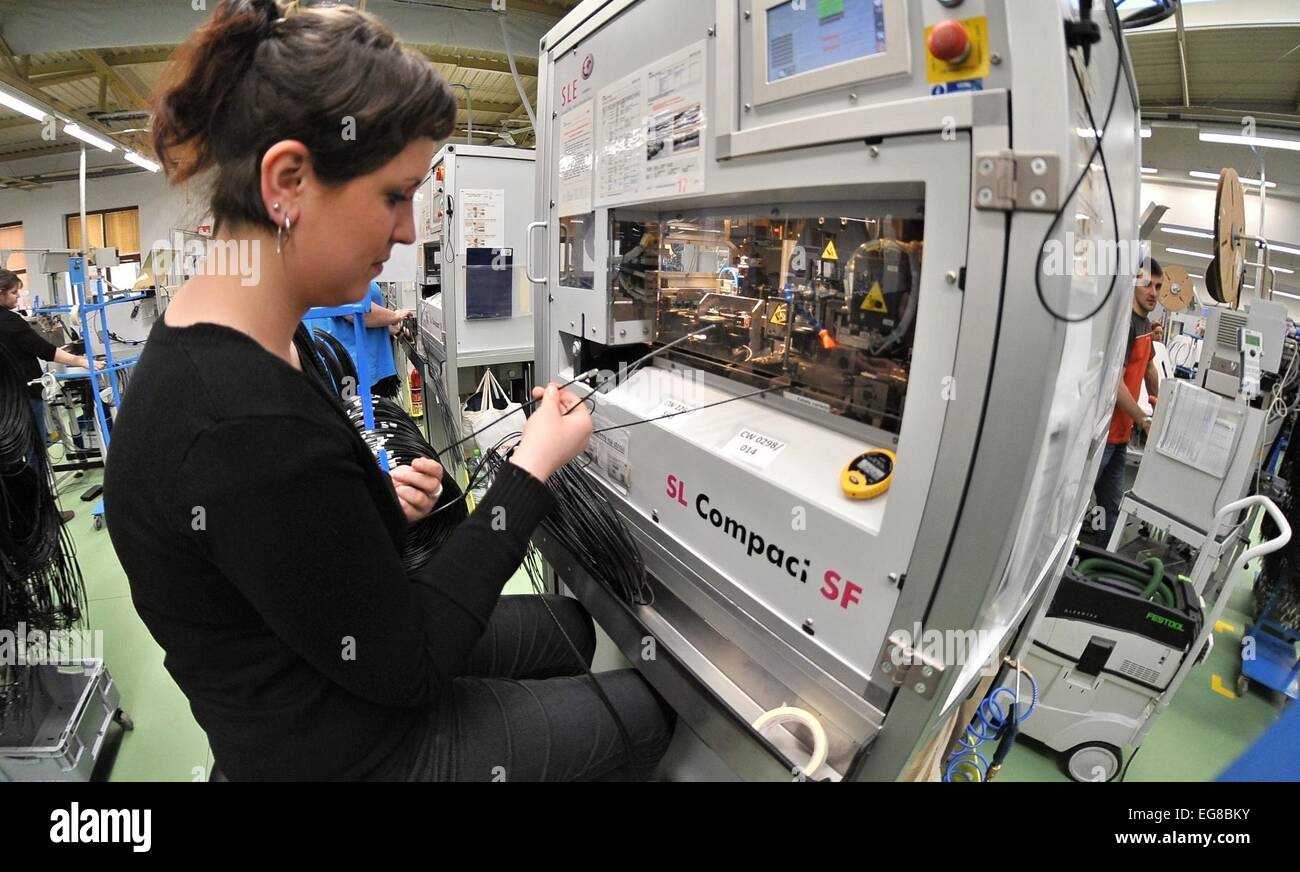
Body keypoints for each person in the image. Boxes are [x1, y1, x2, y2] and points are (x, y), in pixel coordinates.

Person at [103, 0, 673, 781]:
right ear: (288, 181)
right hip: (349, 747)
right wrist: (530, 472)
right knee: (649, 716)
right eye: (394, 197)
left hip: (343, 657)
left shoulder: (263, 336)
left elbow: (288, 538)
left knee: (571, 629)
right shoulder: (239, 425)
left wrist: (369, 501)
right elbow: (413, 662)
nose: (409, 233)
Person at [0, 268, 106, 522]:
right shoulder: (11, 322)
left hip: (4, 402)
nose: (17, 297)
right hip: (23, 398)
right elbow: (44, 350)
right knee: (34, 454)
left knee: (11, 459)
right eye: (13, 292)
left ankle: (18, 516)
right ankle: (45, 516)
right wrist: (80, 361)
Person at [1088, 259, 1163, 546]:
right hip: (1102, 435)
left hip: (1120, 438)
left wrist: (1163, 405)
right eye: (1146, 284)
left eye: (1158, 286)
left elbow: (1149, 368)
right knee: (1078, 503)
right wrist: (1144, 420)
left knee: (1109, 508)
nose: (1153, 292)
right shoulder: (1126, 325)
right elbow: (1114, 386)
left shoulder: (1144, 324)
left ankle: (1097, 560)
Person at [309, 280, 411, 398]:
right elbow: (358, 310)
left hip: (359, 363)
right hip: (353, 368)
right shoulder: (340, 268)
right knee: (359, 412)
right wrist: (394, 316)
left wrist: (384, 326)